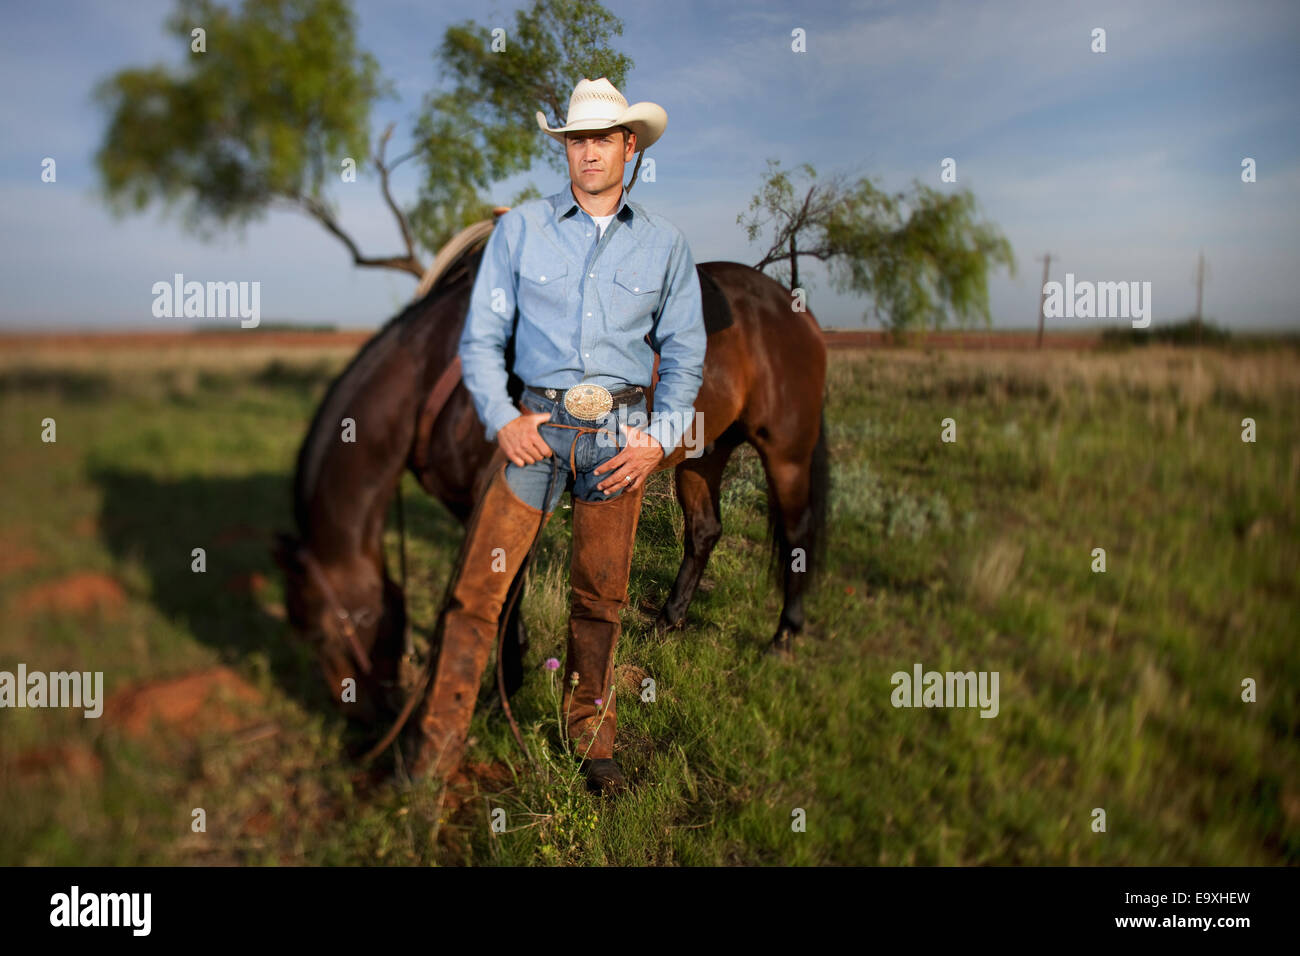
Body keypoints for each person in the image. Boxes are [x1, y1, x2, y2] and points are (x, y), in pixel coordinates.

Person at [408, 77, 707, 794]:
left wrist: (657, 439)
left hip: (618, 438)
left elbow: (687, 353)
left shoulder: (665, 245)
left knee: (599, 598)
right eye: (577, 140)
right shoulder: (522, 229)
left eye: (602, 139)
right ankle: (438, 741)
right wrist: (501, 420)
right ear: (564, 148)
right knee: (478, 591)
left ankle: (590, 736)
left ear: (630, 147)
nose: (588, 153)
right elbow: (480, 341)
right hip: (535, 436)